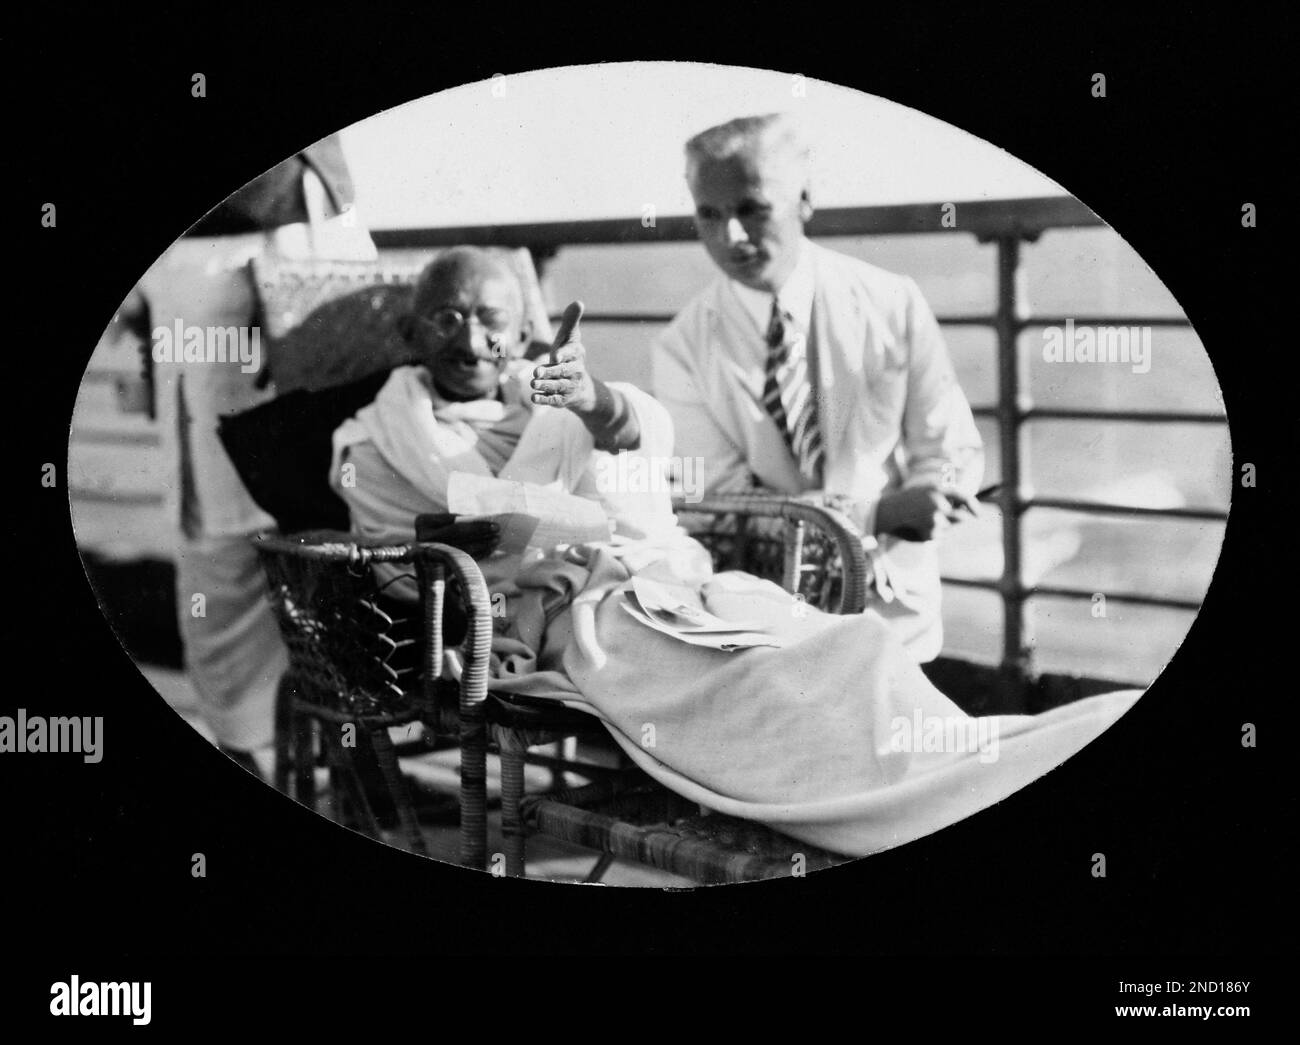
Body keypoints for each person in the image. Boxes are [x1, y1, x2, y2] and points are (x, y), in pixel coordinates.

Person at [329, 247, 1140, 859]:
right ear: (411, 332)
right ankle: (949, 798)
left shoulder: (550, 401)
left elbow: (627, 446)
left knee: (848, 646)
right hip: (568, 625)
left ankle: (986, 764)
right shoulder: (377, 438)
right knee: (761, 679)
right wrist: (536, 547)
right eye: (447, 317)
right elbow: (404, 553)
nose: (471, 337)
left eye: (490, 320)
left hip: (663, 579)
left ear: (520, 335)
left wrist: (588, 402)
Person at [653, 114, 983, 662]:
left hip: (894, 612)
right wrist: (877, 513)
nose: (729, 236)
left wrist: (937, 495)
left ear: (805, 199)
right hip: (769, 620)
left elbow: (950, 448)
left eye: (752, 210)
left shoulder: (892, 301)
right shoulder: (682, 346)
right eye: (709, 215)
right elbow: (719, 508)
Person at [131, 134, 376, 780]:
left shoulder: (320, 186)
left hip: (304, 237)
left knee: (321, 567)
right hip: (199, 301)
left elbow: (354, 310)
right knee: (218, 561)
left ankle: (352, 764)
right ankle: (249, 754)